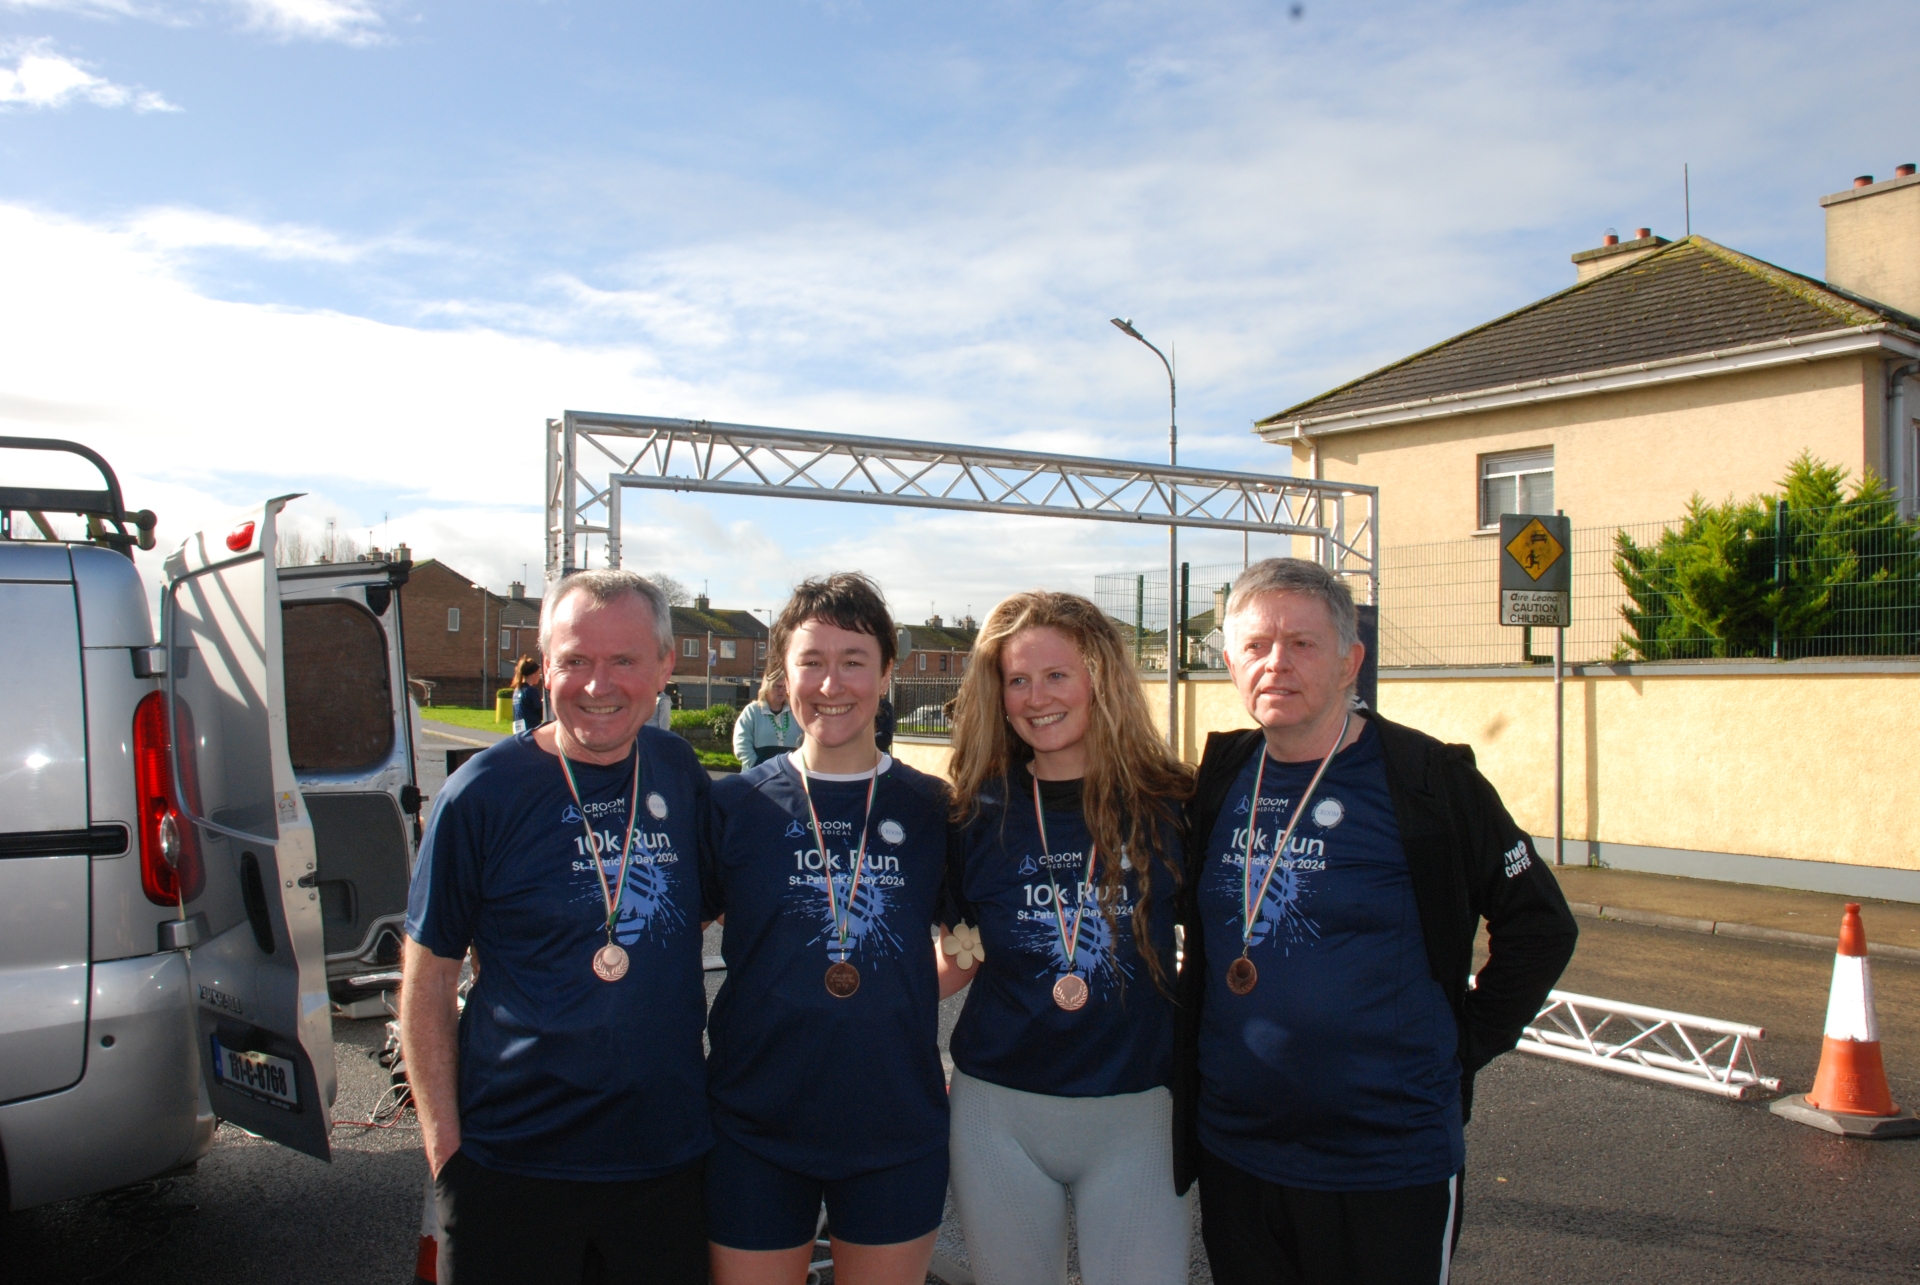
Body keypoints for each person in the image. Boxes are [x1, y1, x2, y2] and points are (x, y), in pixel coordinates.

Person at [1172, 558, 1578, 1285]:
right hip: (1238, 1153)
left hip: (1387, 1161)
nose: (1276, 663)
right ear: (1230, 662)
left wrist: (1465, 1040)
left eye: (1302, 643)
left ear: (1349, 662)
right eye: (1256, 645)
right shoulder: (1222, 778)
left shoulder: (1427, 780)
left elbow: (1541, 925)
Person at [401, 570, 714, 1285]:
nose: (597, 685)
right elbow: (428, 979)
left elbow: (717, 903)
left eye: (624, 659)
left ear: (664, 665)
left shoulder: (678, 770)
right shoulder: (480, 793)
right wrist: (447, 1157)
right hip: (512, 1164)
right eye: (575, 660)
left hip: (666, 1164)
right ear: (545, 666)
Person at [704, 572, 952, 1285]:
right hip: (753, 1126)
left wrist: (896, 991)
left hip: (893, 1126)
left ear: (887, 673)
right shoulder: (734, 806)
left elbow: (970, 942)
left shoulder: (934, 808)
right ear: (783, 674)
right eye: (811, 661)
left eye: (853, 660)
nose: (830, 683)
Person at [939, 592, 1194, 1285]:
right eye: (1017, 680)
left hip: (1139, 1108)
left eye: (1057, 675)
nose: (1036, 698)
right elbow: (957, 949)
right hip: (998, 1111)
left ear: (1100, 679)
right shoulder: (973, 812)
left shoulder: (1172, 803)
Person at [732, 670, 803, 768]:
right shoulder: (752, 711)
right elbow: (741, 743)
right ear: (766, 688)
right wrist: (756, 766)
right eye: (777, 687)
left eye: (784, 687)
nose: (781, 690)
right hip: (757, 773)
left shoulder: (795, 712)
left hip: (789, 773)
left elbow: (805, 742)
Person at [510, 655, 545, 732]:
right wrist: (544, 703)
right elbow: (541, 714)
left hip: (518, 732)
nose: (539, 676)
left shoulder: (516, 691)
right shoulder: (531, 691)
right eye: (538, 673)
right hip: (531, 731)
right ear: (533, 675)